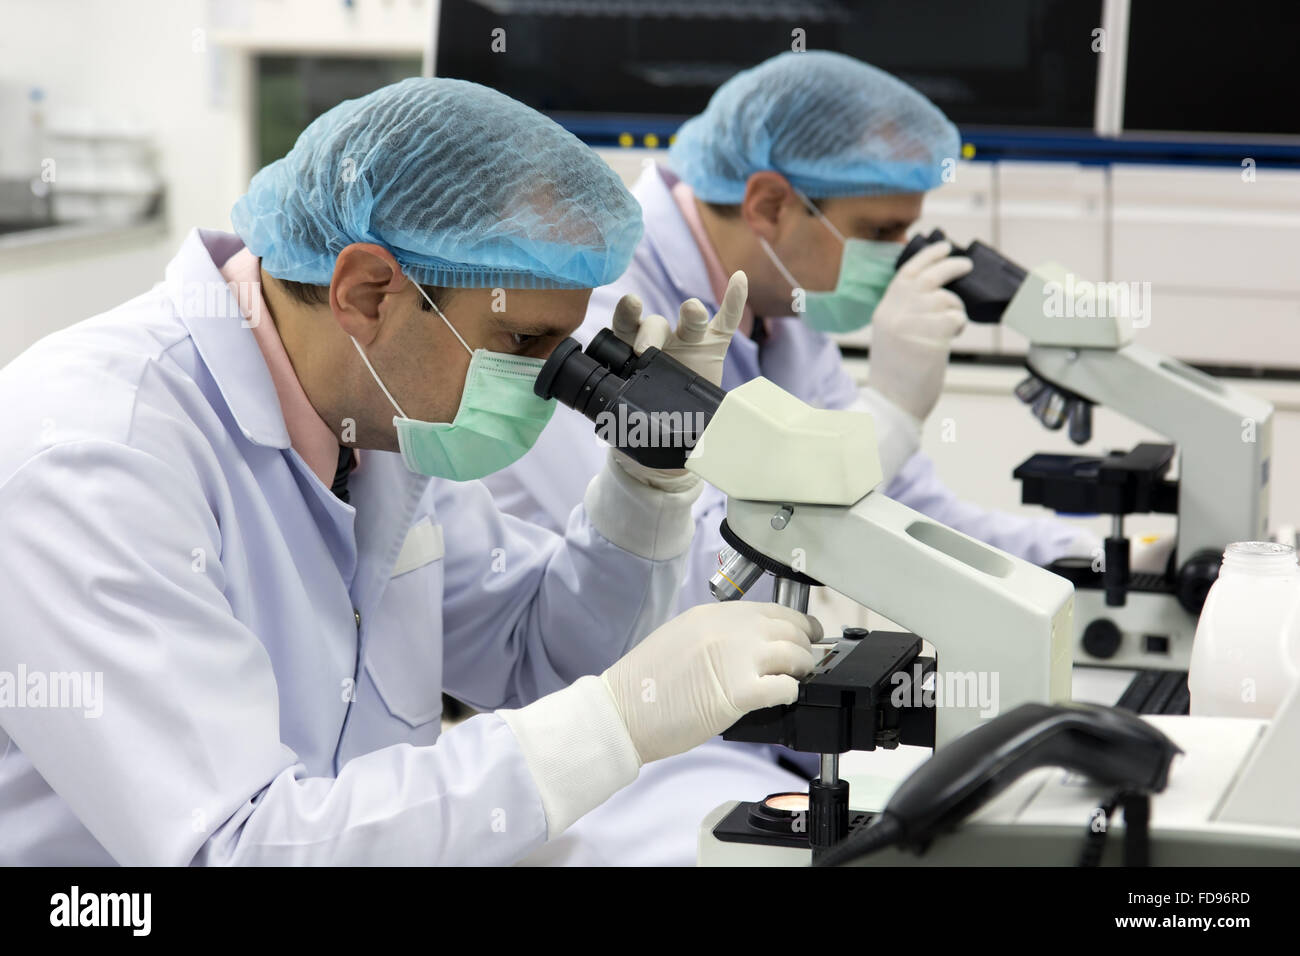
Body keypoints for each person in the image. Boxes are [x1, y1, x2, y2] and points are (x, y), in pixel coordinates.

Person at [0, 77, 821, 866]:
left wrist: (645, 485)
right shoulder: (98, 457)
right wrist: (615, 723)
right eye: (524, 345)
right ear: (365, 290)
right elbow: (238, 846)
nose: (548, 381)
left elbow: (537, 654)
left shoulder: (376, 417)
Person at [487, 52, 1098, 865]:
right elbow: (697, 570)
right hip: (615, 723)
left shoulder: (776, 302)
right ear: (772, 203)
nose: (900, 257)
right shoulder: (595, 307)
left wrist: (1077, 564)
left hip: (745, 710)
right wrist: (889, 413)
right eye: (882, 233)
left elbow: (911, 508)